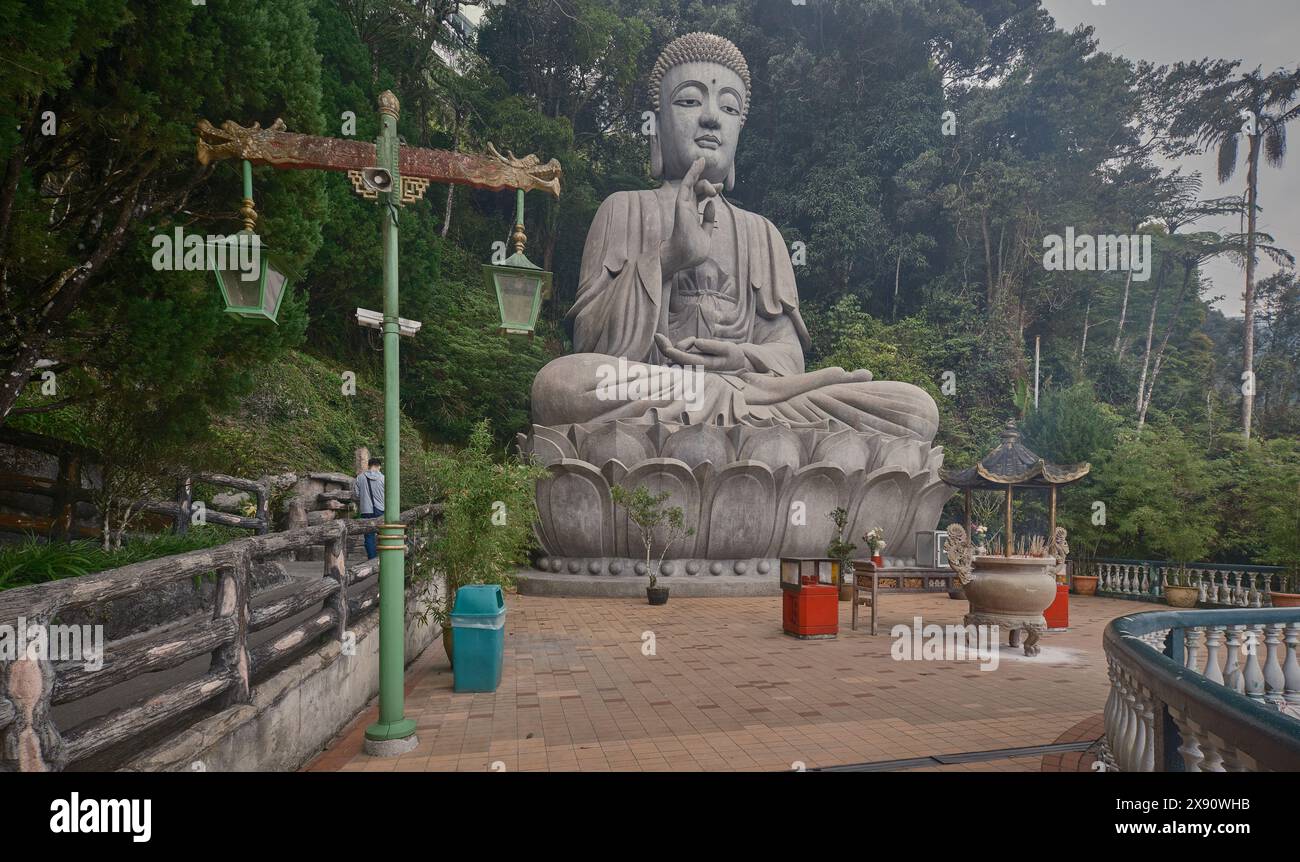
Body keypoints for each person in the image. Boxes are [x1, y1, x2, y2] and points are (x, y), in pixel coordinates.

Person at [530, 31, 938, 442]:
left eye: (728, 107)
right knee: (561, 384)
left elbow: (789, 359)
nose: (710, 117)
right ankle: (747, 431)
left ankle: (723, 418)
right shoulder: (623, 208)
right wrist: (670, 257)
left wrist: (740, 357)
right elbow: (591, 345)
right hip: (660, 385)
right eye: (690, 101)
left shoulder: (762, 233)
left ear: (739, 131)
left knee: (914, 409)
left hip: (752, 393)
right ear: (656, 127)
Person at [354, 457, 385, 560]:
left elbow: (357, 495)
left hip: (366, 511)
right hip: (380, 510)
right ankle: (385, 559)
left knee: (369, 537)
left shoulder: (360, 478)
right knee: (384, 535)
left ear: (369, 466)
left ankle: (372, 560)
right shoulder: (383, 478)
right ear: (379, 466)